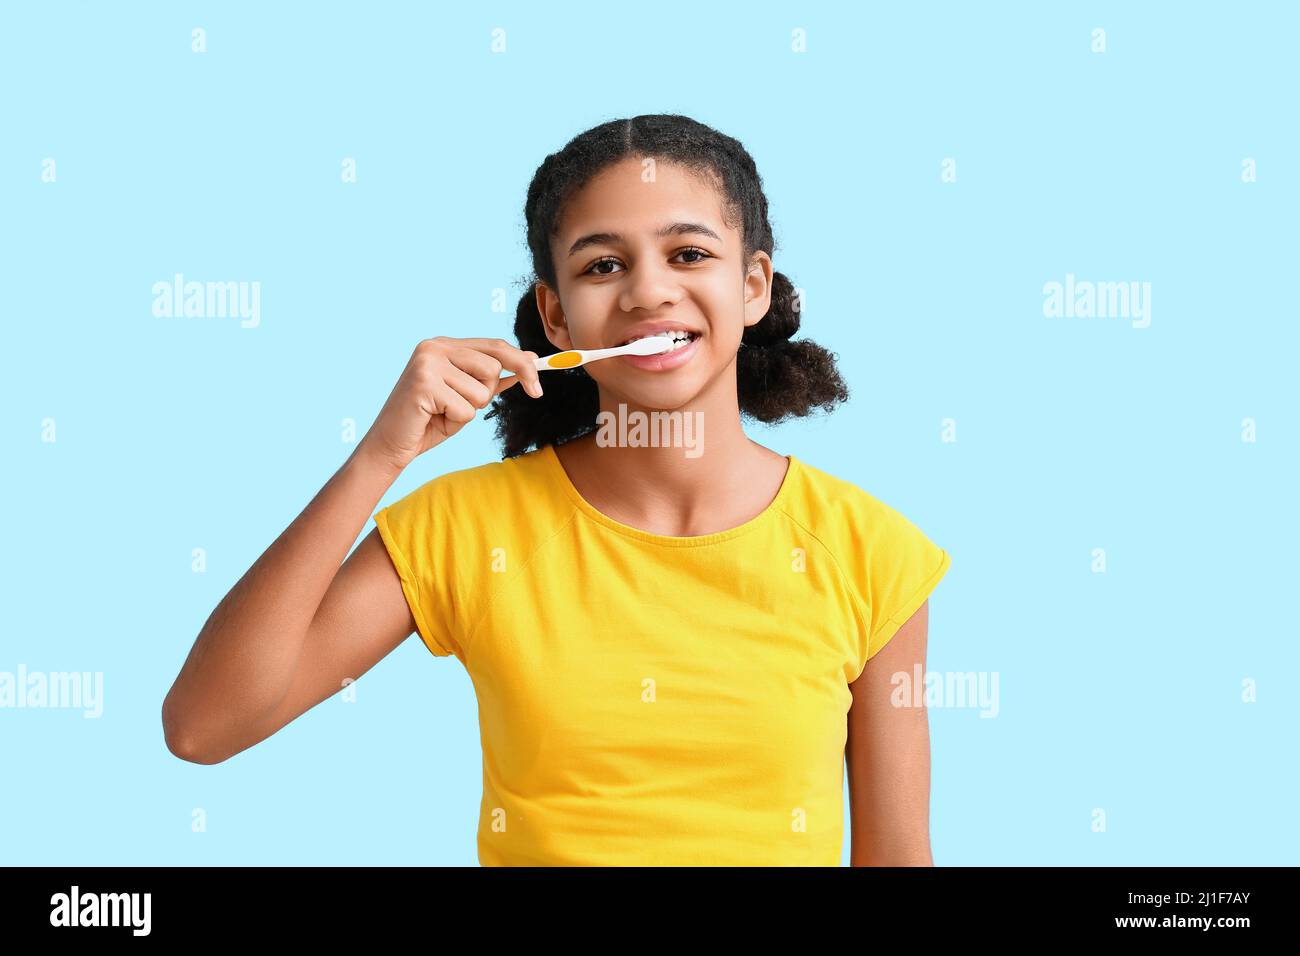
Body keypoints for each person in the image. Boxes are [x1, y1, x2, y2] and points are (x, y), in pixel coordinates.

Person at [162, 114, 952, 867]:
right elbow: (204, 726)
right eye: (603, 266)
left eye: (688, 255)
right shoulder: (467, 528)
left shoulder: (869, 552)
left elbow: (898, 855)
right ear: (557, 317)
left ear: (752, 287)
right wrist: (379, 456)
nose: (648, 294)